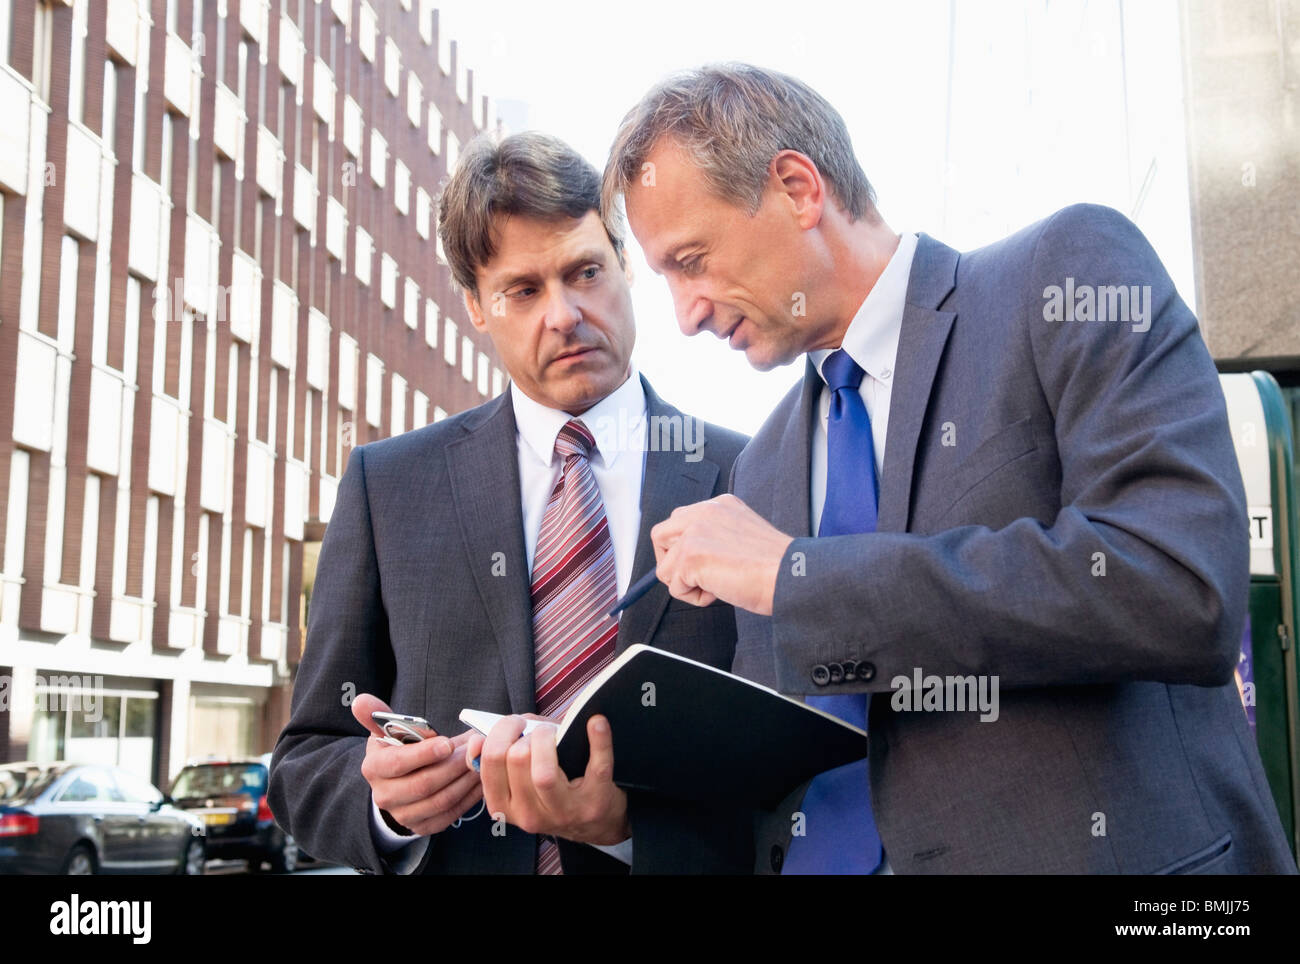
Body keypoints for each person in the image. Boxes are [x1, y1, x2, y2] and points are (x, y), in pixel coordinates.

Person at [602, 62, 1298, 874]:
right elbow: (787, 759)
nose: (685, 316)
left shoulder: (1064, 276)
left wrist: (797, 575)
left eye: (691, 260)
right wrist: (607, 789)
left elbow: (1179, 583)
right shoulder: (760, 468)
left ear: (797, 188)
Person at [268, 131, 752, 874]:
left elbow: (796, 760)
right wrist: (388, 805)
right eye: (523, 291)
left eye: (585, 272)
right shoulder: (387, 487)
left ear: (626, 266)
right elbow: (306, 761)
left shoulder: (749, 473)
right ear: (476, 307)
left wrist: (631, 829)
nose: (563, 314)